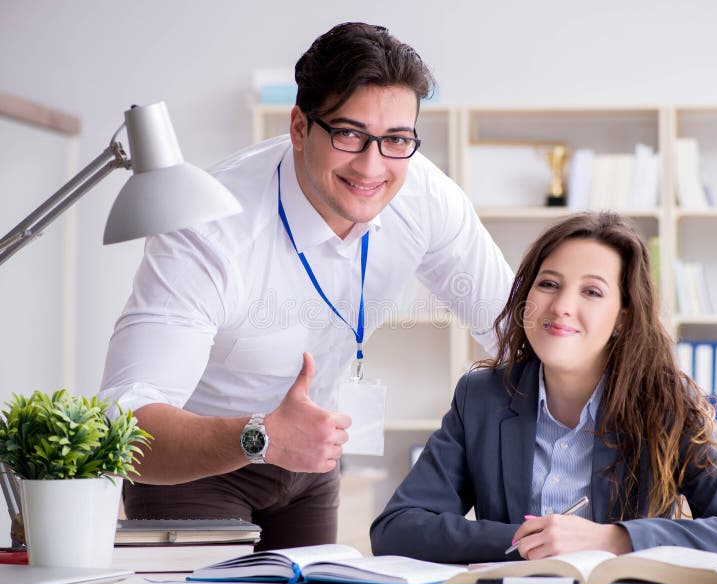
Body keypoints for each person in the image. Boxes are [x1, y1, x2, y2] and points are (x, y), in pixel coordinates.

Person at [99, 22, 512, 550]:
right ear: (299, 127)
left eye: (396, 139)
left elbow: (514, 327)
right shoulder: (210, 229)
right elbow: (125, 426)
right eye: (348, 134)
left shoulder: (425, 197)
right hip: (198, 469)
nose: (372, 166)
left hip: (311, 460)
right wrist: (260, 435)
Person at [370, 212, 717, 564]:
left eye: (592, 291)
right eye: (548, 284)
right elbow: (396, 528)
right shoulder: (481, 397)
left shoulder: (664, 403)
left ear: (622, 318)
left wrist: (612, 539)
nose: (562, 306)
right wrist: (530, 540)